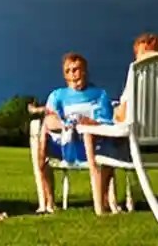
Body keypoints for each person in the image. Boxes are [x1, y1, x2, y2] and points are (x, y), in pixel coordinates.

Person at [95, 33, 158, 213]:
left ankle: (104, 203)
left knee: (105, 148)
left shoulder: (139, 74)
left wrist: (115, 114)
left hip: (143, 146)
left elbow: (123, 115)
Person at [34, 52, 112, 214]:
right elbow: (50, 119)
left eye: (76, 69)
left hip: (95, 146)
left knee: (110, 148)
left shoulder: (100, 94)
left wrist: (90, 123)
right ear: (64, 75)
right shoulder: (57, 95)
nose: (73, 74)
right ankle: (49, 203)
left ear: (85, 71)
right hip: (65, 143)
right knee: (44, 129)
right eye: (68, 71)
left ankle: (102, 200)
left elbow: (107, 123)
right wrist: (67, 125)